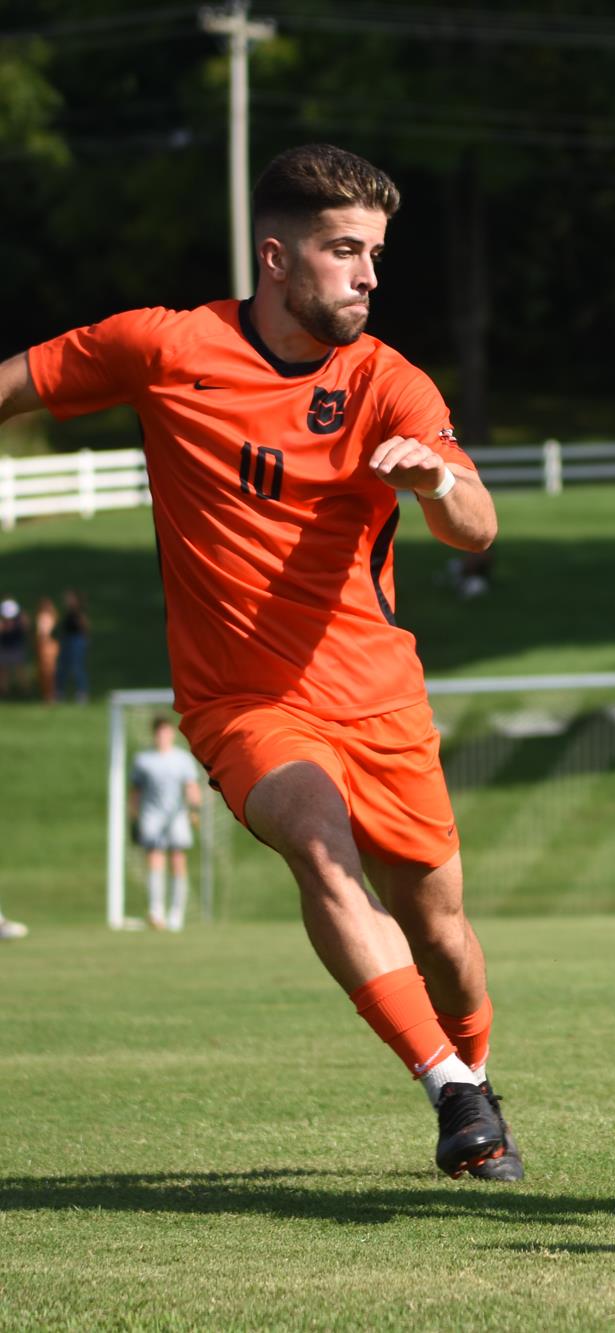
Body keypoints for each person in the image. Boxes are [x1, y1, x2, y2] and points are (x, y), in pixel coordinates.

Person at [0, 144, 518, 1180]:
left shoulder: (387, 381)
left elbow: (477, 524)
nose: (369, 274)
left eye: (375, 252)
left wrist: (432, 482)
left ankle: (476, 1074)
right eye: (345, 251)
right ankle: (449, 1088)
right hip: (243, 702)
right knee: (319, 847)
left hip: (381, 703)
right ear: (277, 258)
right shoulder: (161, 345)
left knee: (445, 932)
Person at [130, 716, 204, 931]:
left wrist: (194, 809)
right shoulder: (143, 760)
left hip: (177, 817)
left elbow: (191, 786)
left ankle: (176, 913)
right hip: (152, 816)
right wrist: (134, 818)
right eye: (160, 733)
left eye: (167, 732)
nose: (163, 736)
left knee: (178, 859)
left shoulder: (182, 759)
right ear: (154, 735)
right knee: (154, 857)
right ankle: (156, 911)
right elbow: (135, 792)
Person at [54, 588, 89, 703]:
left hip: (76, 640)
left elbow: (84, 626)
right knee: (63, 667)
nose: (67, 601)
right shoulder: (68, 613)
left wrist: (85, 638)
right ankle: (59, 692)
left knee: (77, 667)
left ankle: (82, 693)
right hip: (67, 640)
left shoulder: (78, 612)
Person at [32, 596, 58, 705]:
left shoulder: (48, 617)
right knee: (43, 673)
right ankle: (46, 696)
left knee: (49, 673)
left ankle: (50, 696)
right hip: (42, 646)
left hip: (47, 647)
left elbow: (44, 633)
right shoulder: (42, 616)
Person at [0, 598, 27, 697]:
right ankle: (4, 691)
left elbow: (24, 628)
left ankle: (24, 691)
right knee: (3, 670)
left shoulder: (19, 620)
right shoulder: (2, 622)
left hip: (16, 646)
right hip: (5, 646)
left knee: (20, 670)